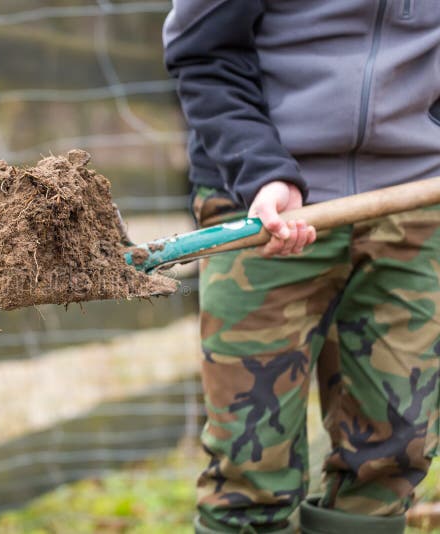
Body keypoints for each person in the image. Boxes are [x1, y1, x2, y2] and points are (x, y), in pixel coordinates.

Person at [163, 2, 440, 532]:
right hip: (260, 202)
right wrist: (261, 171)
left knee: (392, 456)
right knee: (250, 462)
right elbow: (203, 51)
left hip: (416, 197)